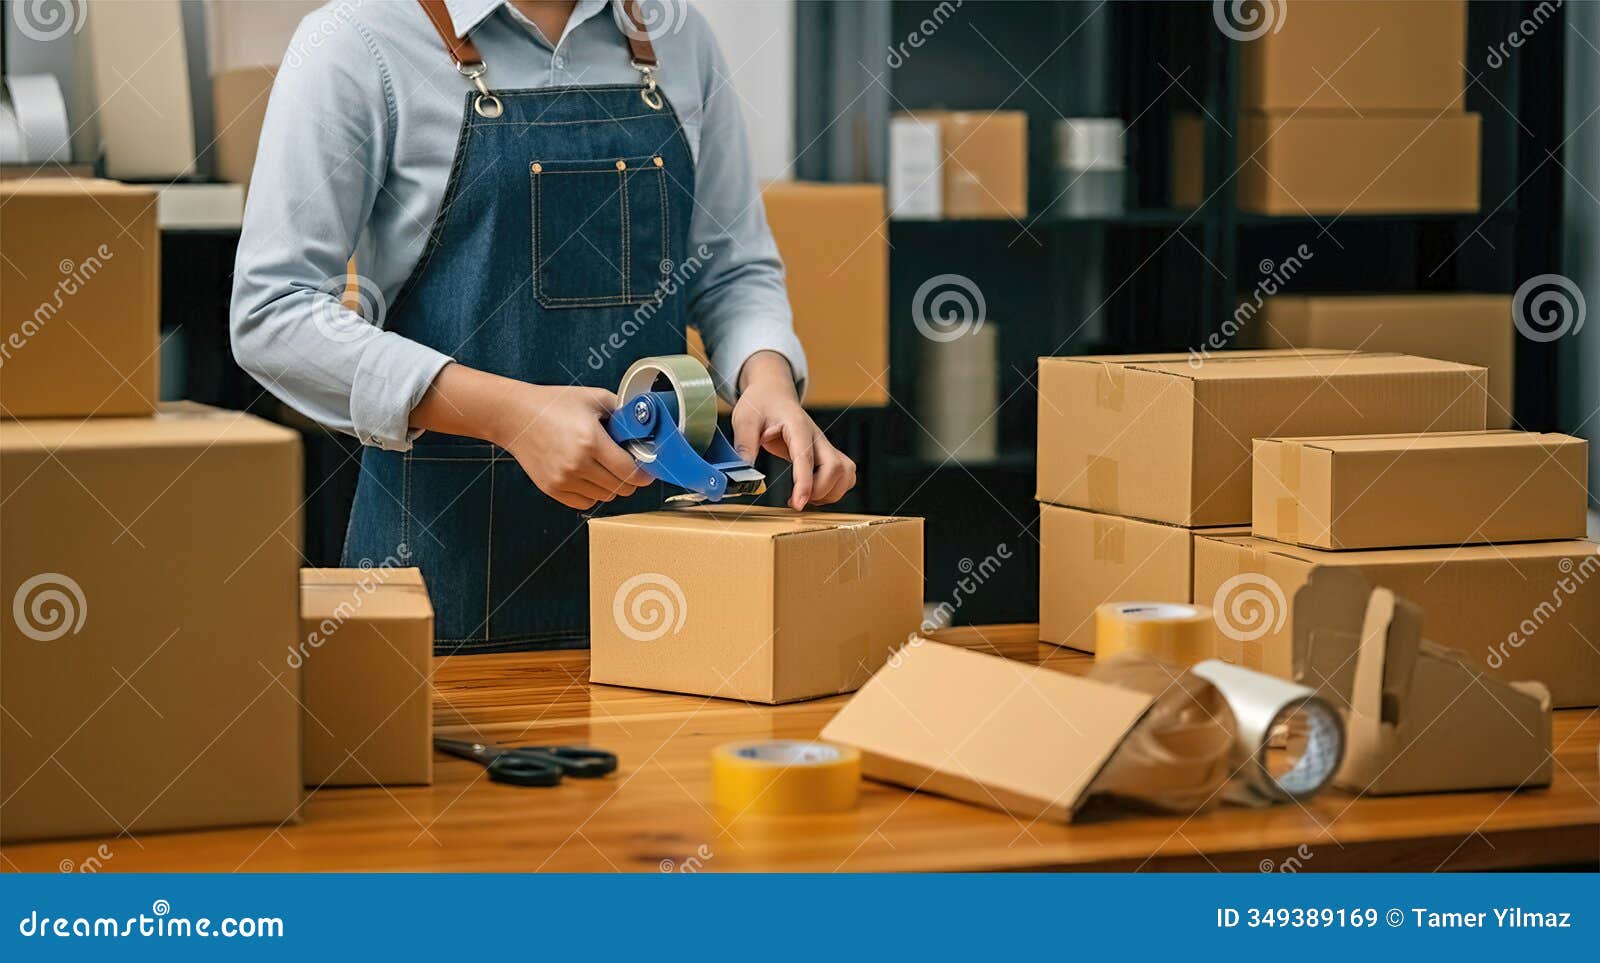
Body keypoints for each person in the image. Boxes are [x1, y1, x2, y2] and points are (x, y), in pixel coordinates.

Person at [231, 0, 855, 653]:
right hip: (436, 593)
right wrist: (513, 416)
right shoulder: (355, 41)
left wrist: (767, 378)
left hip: (655, 596)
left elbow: (731, 269)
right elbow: (273, 312)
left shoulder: (677, 34)